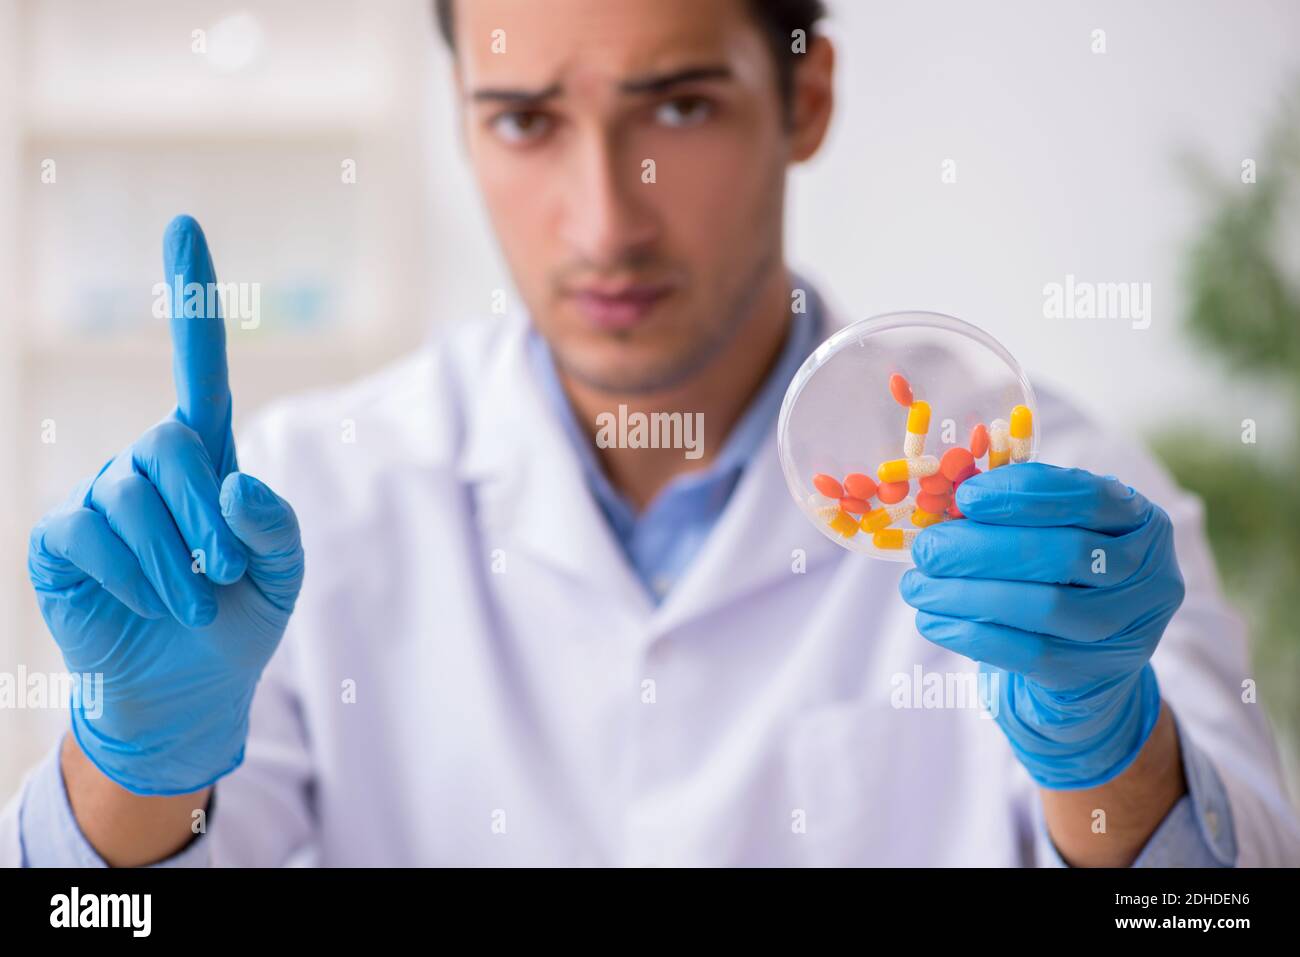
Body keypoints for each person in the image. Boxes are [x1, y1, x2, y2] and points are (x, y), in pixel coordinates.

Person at [3, 0, 1297, 867]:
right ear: (460, 111)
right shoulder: (297, 503)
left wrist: (1112, 751)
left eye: (678, 107)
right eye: (524, 119)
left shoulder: (1056, 501)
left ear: (806, 96)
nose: (604, 220)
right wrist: (125, 767)